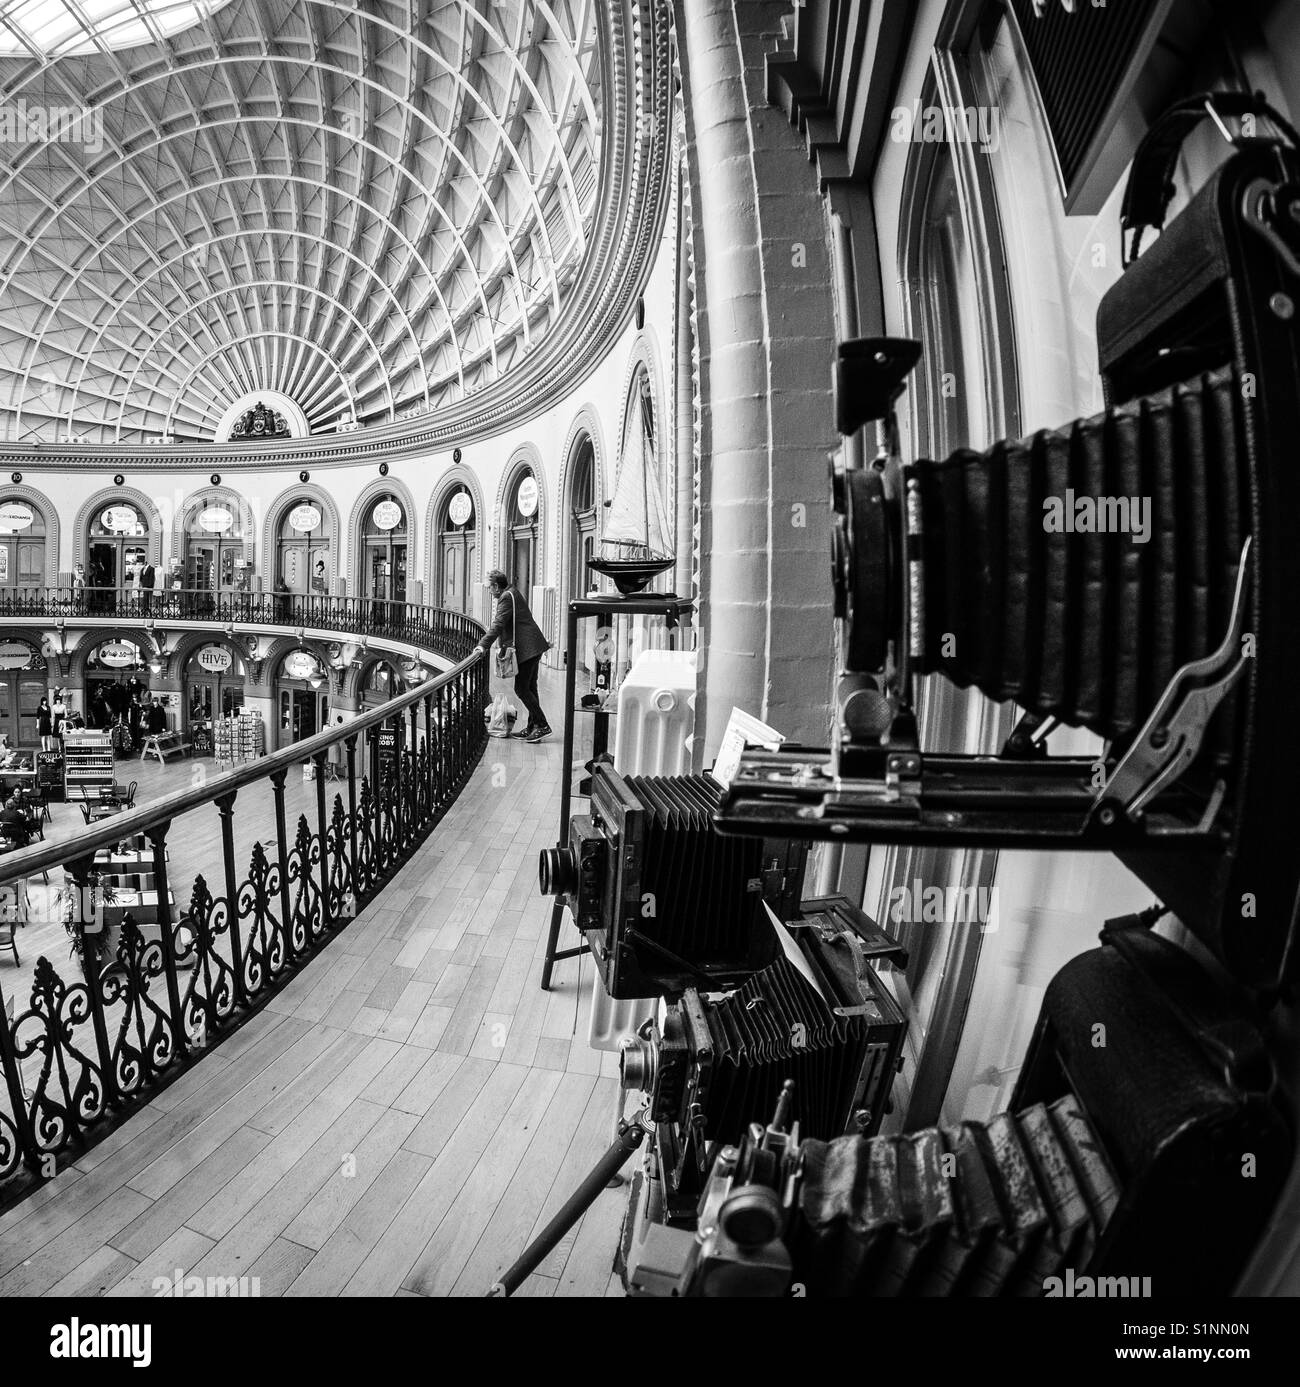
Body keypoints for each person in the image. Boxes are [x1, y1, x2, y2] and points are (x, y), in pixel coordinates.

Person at [477, 569, 553, 742]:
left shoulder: (506, 597)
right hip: (533, 645)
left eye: (490, 588)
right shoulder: (512, 591)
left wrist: (482, 646)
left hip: (527, 648)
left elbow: (497, 625)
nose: (489, 592)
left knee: (521, 689)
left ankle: (542, 725)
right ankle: (533, 726)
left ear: (496, 586)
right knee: (531, 688)